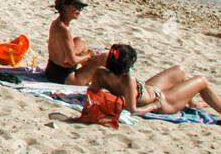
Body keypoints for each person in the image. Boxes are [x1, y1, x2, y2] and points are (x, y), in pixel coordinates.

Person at [91, 44, 221, 115]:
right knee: (202, 80)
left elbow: (92, 96)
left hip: (150, 89)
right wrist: (154, 106)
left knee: (180, 70)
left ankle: (192, 103)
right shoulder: (128, 80)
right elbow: (133, 110)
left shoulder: (99, 73)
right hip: (163, 100)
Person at [44, 0, 108, 85]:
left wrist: (85, 56)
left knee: (80, 41)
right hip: (63, 77)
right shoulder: (64, 30)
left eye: (80, 8)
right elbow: (72, 61)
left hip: (52, 70)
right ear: (65, 7)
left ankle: (87, 68)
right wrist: (89, 55)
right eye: (76, 7)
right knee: (105, 57)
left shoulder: (57, 23)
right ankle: (88, 71)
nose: (79, 10)